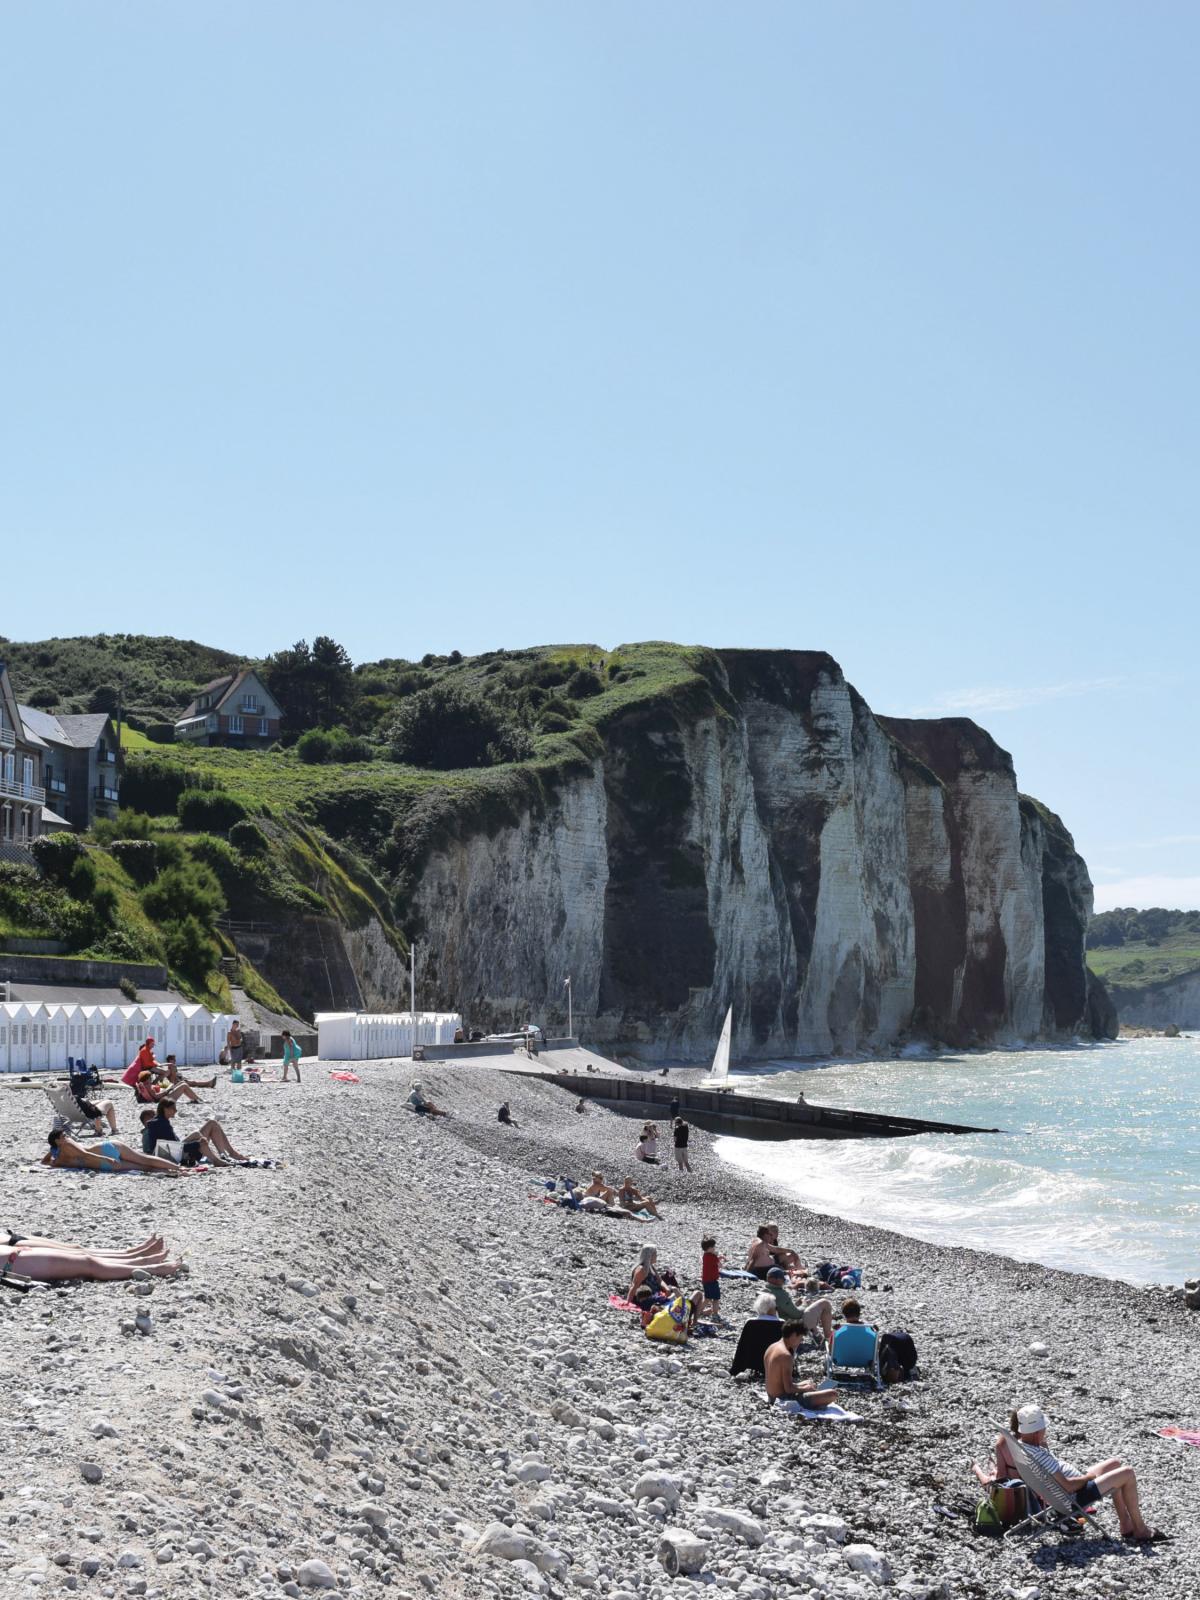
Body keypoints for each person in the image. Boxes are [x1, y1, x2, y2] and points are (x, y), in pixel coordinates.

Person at [996, 1404, 1167, 1544]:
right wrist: (1089, 1478)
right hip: (1072, 1498)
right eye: (1043, 1428)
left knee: (1114, 1463)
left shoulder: (1023, 1447)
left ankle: (1126, 1525)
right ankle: (1140, 1529)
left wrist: (1042, 1444)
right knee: (1127, 1473)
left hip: (1063, 1490)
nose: (1045, 1431)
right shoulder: (1038, 1455)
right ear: (1036, 1432)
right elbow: (1068, 1486)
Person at [2, 1232, 182, 1283]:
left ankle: (137, 1259)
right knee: (86, 1262)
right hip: (10, 1262)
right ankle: (149, 1268)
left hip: (11, 1252)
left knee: (81, 1254)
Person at [139, 1100, 248, 1166]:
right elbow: (164, 1149)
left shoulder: (160, 1123)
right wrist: (196, 1144)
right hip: (172, 1153)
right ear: (165, 1109)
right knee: (207, 1131)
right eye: (173, 1108)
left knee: (203, 1130)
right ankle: (218, 1158)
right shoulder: (156, 1126)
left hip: (172, 1149)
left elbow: (171, 1144)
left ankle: (222, 1154)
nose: (176, 1111)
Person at [764, 1322, 840, 1411]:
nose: (800, 1342)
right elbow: (789, 1389)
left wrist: (805, 1386)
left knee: (809, 1382)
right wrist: (805, 1389)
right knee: (832, 1394)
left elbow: (781, 1382)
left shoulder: (772, 1347)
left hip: (771, 1395)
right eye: (800, 1338)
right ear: (793, 1335)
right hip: (782, 1399)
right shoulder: (786, 1355)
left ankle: (812, 1392)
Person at [42, 1128, 182, 1176]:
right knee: (144, 1160)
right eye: (63, 1136)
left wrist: (52, 1152)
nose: (67, 1137)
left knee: (144, 1167)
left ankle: (177, 1171)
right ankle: (179, 1169)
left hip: (104, 1164)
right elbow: (85, 1154)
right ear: (57, 1141)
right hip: (105, 1151)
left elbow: (44, 1162)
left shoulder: (58, 1159)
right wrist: (107, 1158)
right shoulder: (68, 1144)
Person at [764, 1267, 834, 1348]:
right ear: (775, 1279)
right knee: (824, 1303)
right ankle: (828, 1338)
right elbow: (797, 1314)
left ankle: (817, 1335)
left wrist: (796, 1304)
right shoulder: (780, 1294)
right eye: (782, 1279)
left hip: (775, 1326)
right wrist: (804, 1304)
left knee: (810, 1309)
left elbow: (784, 1310)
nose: (783, 1281)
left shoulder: (764, 1291)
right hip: (789, 1328)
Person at [68, 1070, 118, 1136]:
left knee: (100, 1101)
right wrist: (89, 1105)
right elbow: (85, 1107)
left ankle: (102, 1129)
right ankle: (110, 1130)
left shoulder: (66, 1100)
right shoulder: (75, 1097)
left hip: (75, 1113)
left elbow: (80, 1103)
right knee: (109, 1103)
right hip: (88, 1112)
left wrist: (87, 1103)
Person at [135, 1070, 202, 1106]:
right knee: (183, 1085)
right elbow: (156, 1097)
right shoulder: (148, 1086)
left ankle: (195, 1099)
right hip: (163, 1100)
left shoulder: (144, 1085)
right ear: (147, 1078)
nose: (151, 1079)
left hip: (163, 1098)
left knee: (181, 1083)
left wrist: (166, 1089)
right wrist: (167, 1090)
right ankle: (197, 1099)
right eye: (150, 1077)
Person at [701, 1236, 723, 1318]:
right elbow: (720, 1265)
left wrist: (717, 1257)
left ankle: (699, 1310)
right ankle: (715, 1313)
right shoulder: (712, 1256)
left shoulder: (705, 1255)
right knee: (716, 1298)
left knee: (707, 1298)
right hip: (712, 1280)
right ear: (709, 1248)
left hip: (705, 1280)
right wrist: (717, 1257)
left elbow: (712, 1263)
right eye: (713, 1247)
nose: (714, 1248)